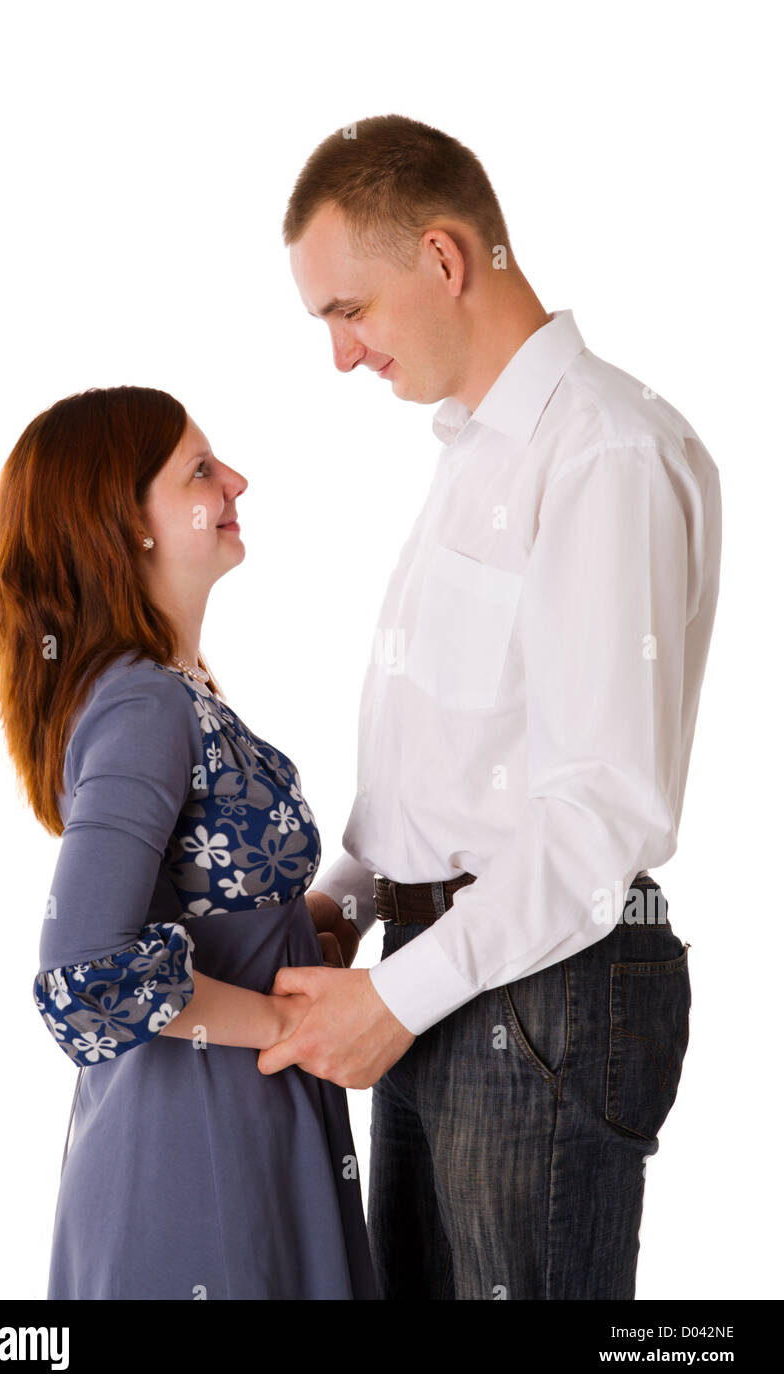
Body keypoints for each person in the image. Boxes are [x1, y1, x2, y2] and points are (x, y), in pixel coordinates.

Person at [258, 113, 722, 1300]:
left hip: (539, 993)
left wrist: (395, 996)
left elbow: (594, 820)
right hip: (444, 973)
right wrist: (350, 902)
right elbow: (452, 757)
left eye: (346, 311)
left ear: (444, 258)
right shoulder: (475, 451)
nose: (343, 355)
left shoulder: (602, 454)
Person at [0, 387, 376, 1299]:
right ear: (127, 526)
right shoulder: (143, 703)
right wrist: (287, 1023)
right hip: (197, 1151)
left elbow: (204, 904)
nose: (235, 480)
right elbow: (82, 972)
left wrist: (313, 928)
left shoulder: (169, 692)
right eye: (200, 470)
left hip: (236, 1125)